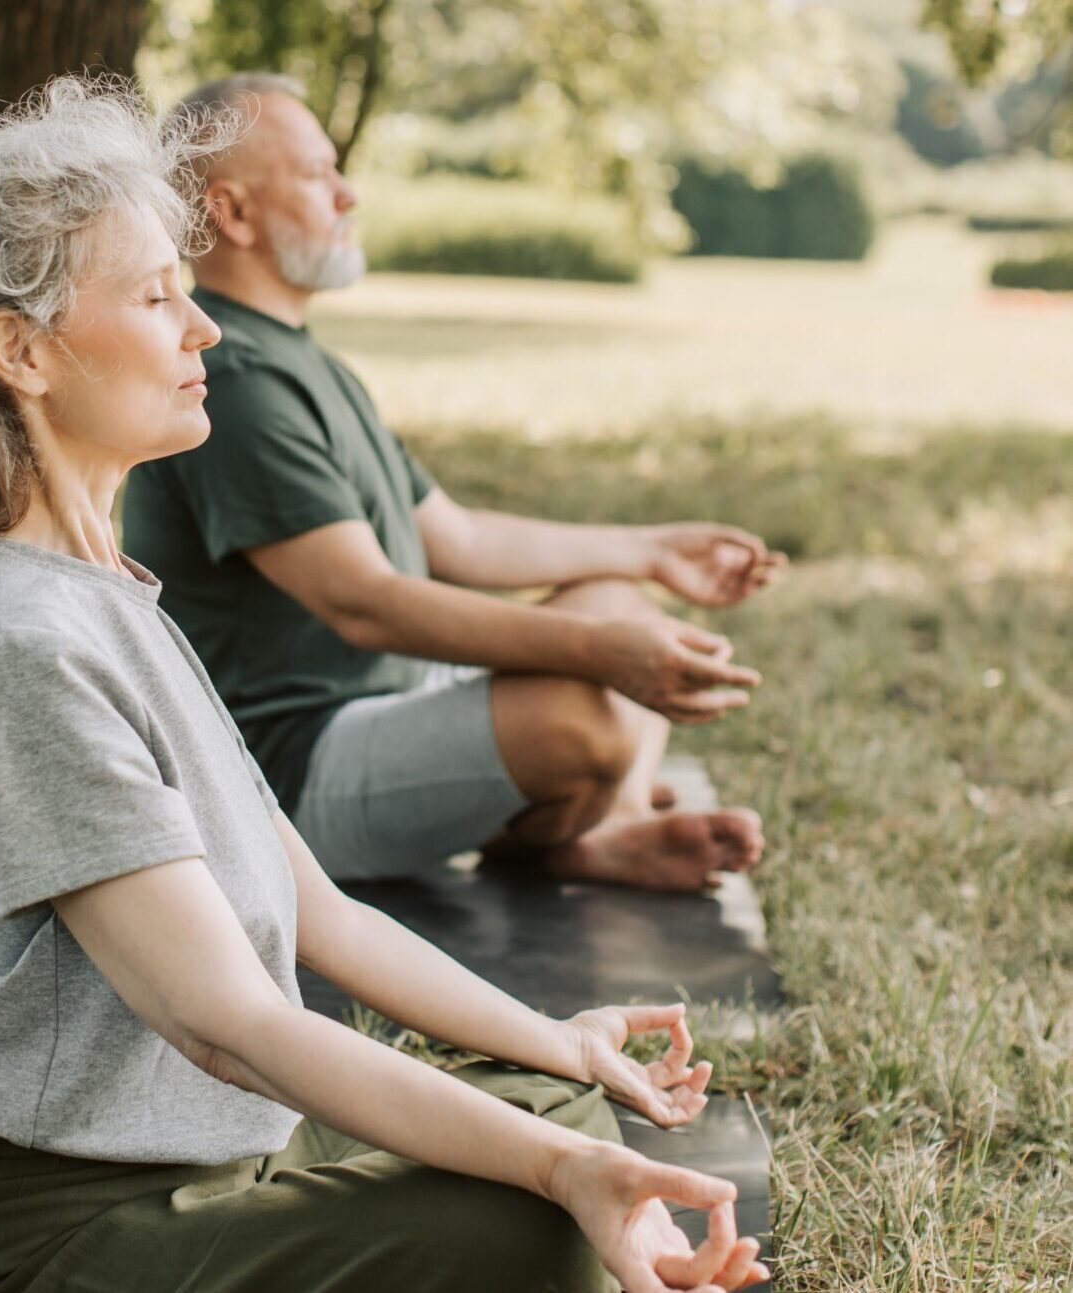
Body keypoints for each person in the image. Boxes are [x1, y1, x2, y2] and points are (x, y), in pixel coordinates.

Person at [0, 76, 768, 1293]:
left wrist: (557, 1037)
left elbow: (325, 917)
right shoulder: (24, 651)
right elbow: (234, 1025)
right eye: (157, 299)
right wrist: (556, 1176)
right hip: (22, 1233)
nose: (204, 329)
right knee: (544, 1220)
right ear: (23, 351)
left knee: (556, 1102)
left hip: (193, 1161)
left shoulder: (111, 599)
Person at [122, 74, 787, 893]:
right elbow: (363, 603)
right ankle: (583, 821)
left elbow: (458, 539)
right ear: (234, 214)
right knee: (587, 714)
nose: (347, 193)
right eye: (316, 174)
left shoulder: (302, 360)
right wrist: (597, 652)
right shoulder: (236, 379)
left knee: (619, 601)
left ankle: (594, 832)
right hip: (286, 774)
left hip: (389, 702)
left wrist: (652, 551)